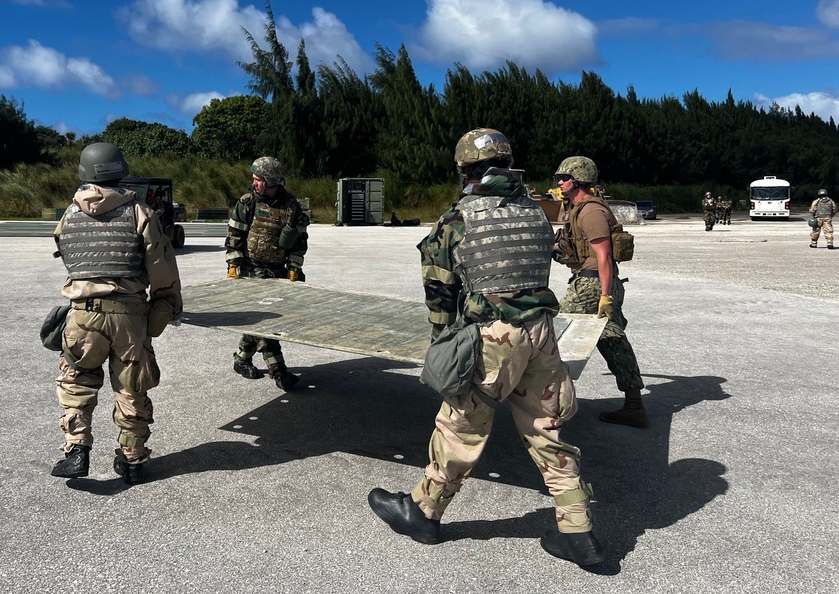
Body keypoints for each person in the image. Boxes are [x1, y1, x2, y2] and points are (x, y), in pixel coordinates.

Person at [367, 128, 603, 566]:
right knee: (546, 430)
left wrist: (443, 341)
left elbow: (439, 288)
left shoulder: (460, 217)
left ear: (465, 170)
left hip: (492, 337)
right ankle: (577, 531)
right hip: (541, 332)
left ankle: (423, 512)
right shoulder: (536, 212)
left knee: (461, 426)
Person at [50, 143, 183, 485]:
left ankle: (76, 449)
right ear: (120, 171)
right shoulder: (141, 213)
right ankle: (133, 461)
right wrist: (164, 309)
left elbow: (66, 253)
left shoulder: (69, 214)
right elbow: (162, 273)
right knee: (131, 390)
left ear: (85, 173)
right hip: (129, 316)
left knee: (77, 382)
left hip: (82, 317)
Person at [553, 156, 647, 428]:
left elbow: (604, 257)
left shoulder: (591, 212)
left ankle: (549, 403)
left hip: (593, 283)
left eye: (563, 177)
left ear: (578, 180)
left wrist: (605, 296)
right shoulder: (578, 207)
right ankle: (634, 405)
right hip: (598, 281)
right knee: (612, 339)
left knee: (556, 334)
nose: (559, 182)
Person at [225, 156, 309, 390]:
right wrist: (233, 264)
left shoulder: (291, 206)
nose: (255, 184)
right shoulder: (247, 202)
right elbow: (234, 236)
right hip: (252, 270)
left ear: (271, 181)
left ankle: (241, 359)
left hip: (278, 272)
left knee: (267, 321)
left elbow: (299, 241)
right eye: (254, 179)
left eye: (259, 180)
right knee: (266, 325)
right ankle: (279, 371)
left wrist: (294, 267)